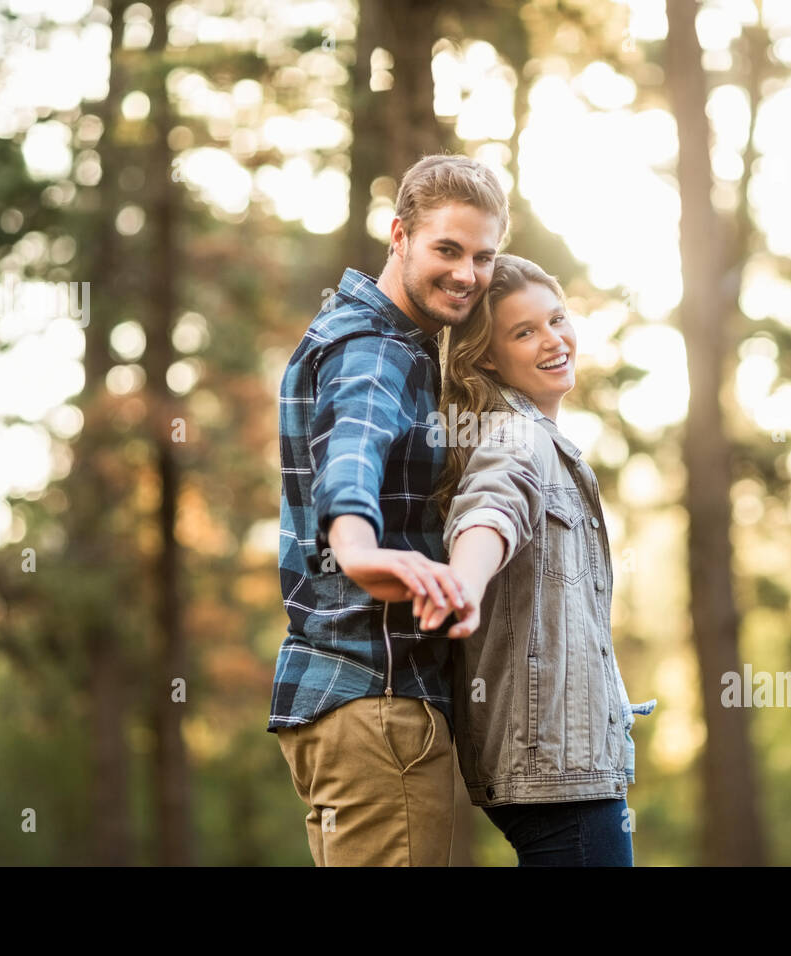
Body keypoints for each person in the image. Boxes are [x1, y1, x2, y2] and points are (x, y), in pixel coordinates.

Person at [269, 154, 508, 866]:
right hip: (378, 696)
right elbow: (355, 448)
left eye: (483, 256)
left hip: (345, 703)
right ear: (399, 236)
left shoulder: (362, 334)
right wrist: (358, 546)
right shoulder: (377, 349)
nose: (467, 273)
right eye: (447, 249)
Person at [419, 253, 656, 866]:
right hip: (558, 771)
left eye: (557, 320)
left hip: (565, 762)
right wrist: (464, 584)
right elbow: (492, 507)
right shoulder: (515, 438)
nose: (553, 341)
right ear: (488, 357)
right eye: (525, 332)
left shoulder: (542, 439)